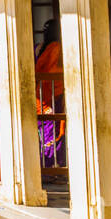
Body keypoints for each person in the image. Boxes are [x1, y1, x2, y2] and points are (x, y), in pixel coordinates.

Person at [35, 18, 64, 162]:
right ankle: (53, 166)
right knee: (54, 130)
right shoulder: (56, 47)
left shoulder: (40, 48)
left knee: (46, 131)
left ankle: (47, 165)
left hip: (41, 95)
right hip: (52, 95)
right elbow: (52, 71)